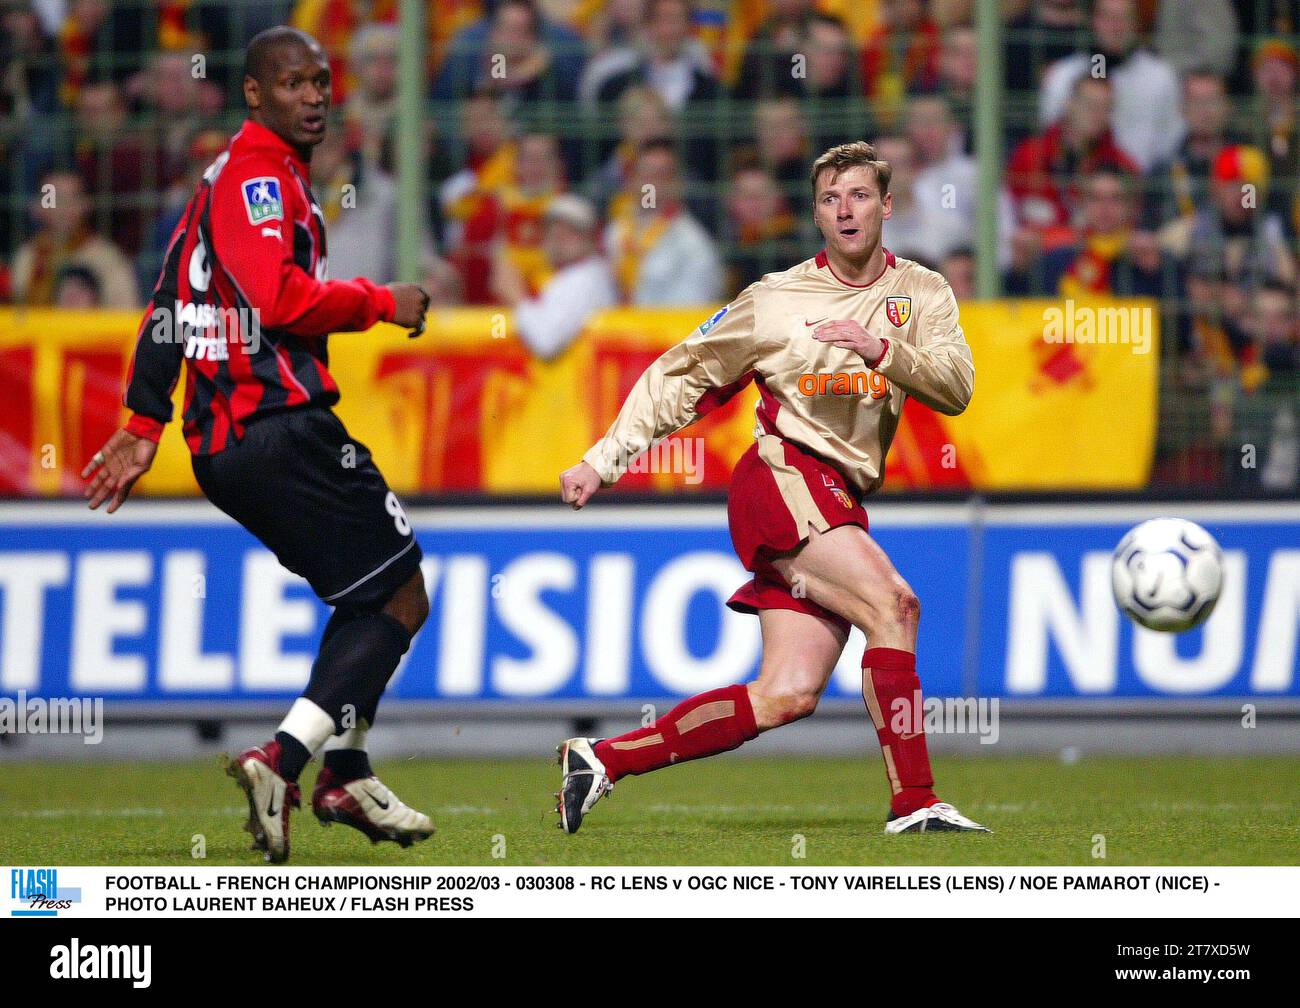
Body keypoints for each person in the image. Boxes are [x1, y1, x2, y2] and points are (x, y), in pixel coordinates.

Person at [555, 140, 988, 836]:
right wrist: (605, 459)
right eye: (829, 199)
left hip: (837, 491)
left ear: (886, 204)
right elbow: (682, 375)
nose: (845, 210)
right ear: (817, 214)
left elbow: (957, 389)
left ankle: (603, 759)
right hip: (783, 473)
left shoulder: (924, 292)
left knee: (786, 694)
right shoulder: (775, 300)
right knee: (895, 606)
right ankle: (916, 803)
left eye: (858, 196)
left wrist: (881, 349)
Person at [81, 27, 434, 864]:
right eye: (293, 84)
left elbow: (168, 301)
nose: (314, 97)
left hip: (229, 444)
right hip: (276, 425)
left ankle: (345, 768)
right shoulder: (257, 179)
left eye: (321, 81)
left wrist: (142, 422)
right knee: (400, 598)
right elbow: (276, 300)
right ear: (253, 94)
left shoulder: (225, 181)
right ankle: (285, 759)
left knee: (368, 595)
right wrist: (383, 300)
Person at [491, 193, 619, 360]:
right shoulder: (571, 275)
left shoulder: (586, 278)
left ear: (592, 238)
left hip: (583, 382)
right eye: (552, 230)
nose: (559, 237)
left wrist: (516, 296)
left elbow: (547, 341)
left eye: (571, 230)